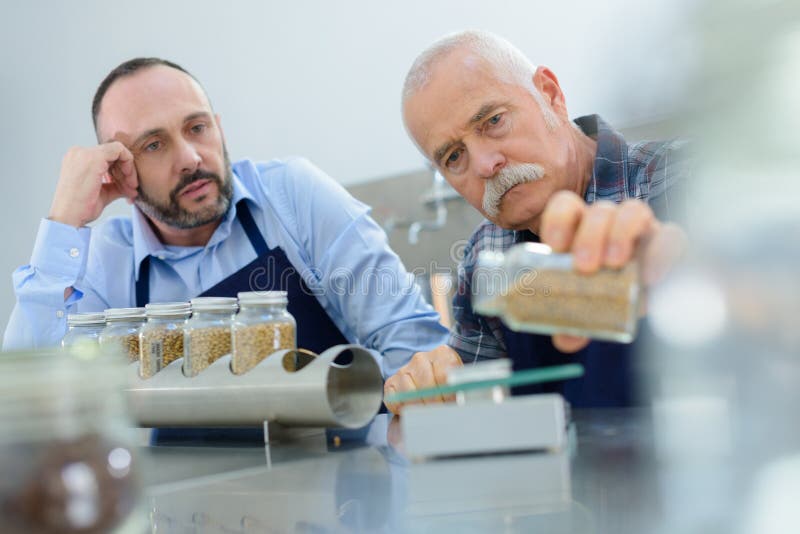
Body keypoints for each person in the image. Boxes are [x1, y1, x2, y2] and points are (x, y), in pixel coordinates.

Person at [3, 57, 449, 387]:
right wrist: (63, 223)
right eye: (154, 145)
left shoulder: (293, 196)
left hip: (341, 488)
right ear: (118, 168)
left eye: (197, 128)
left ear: (218, 128)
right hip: (181, 505)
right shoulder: (102, 263)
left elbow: (415, 344)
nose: (191, 158)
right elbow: (27, 397)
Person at [384, 30, 689, 413]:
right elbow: (480, 404)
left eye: (493, 121)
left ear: (550, 95)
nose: (484, 164)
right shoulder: (485, 255)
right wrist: (436, 381)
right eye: (454, 158)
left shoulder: (688, 184)